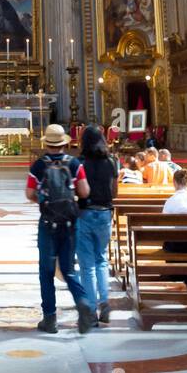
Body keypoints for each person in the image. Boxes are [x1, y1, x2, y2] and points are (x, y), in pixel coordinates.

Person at [26, 123, 96, 335]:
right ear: (64, 143)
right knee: (68, 269)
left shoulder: (38, 166)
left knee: (46, 272)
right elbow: (84, 192)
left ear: (46, 143)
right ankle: (83, 303)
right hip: (69, 223)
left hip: (47, 222)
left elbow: (29, 193)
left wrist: (44, 199)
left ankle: (50, 319)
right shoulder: (74, 163)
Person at [75, 125, 117, 324]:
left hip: (85, 213)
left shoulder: (80, 163)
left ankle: (91, 310)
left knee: (86, 265)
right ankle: (105, 302)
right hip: (105, 214)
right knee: (101, 259)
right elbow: (115, 192)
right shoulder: (111, 162)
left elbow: (78, 189)